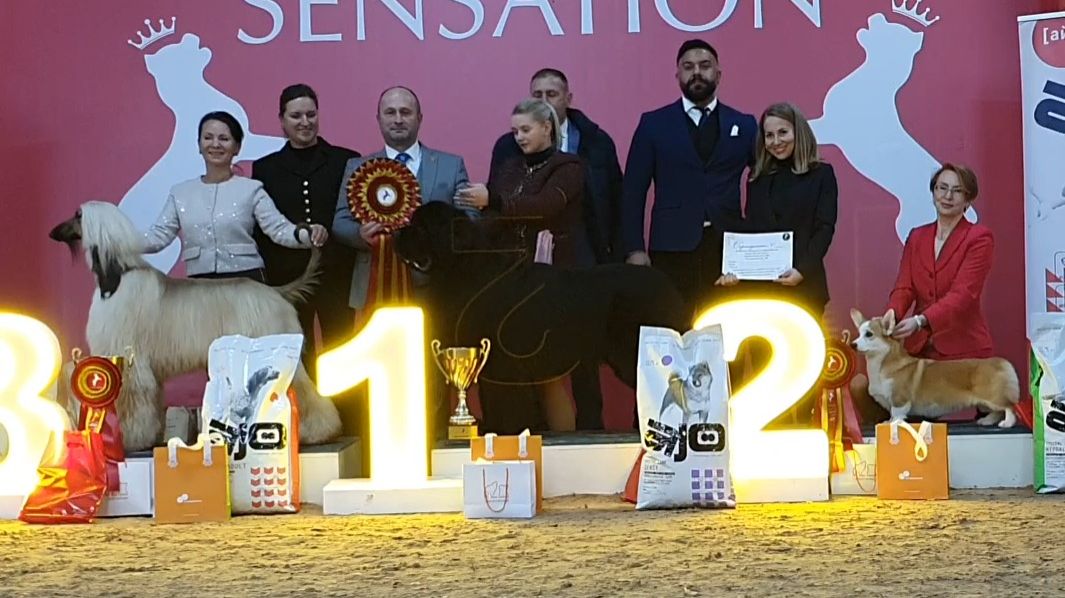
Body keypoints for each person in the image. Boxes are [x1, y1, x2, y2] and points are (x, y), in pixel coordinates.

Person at [457, 98, 594, 431]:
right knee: (516, 371)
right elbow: (495, 218)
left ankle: (563, 446)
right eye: (515, 131)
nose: (518, 137)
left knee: (550, 375)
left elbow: (545, 206)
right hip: (511, 283)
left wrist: (493, 200)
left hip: (548, 280)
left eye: (525, 129)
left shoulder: (569, 166)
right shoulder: (510, 167)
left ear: (547, 127)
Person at [621, 39, 757, 321]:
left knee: (726, 326)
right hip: (671, 246)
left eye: (704, 66)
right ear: (677, 75)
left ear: (718, 74)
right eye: (688, 67)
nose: (696, 73)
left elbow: (764, 183)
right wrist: (635, 248)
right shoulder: (653, 124)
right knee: (670, 325)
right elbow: (633, 192)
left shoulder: (744, 124)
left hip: (727, 248)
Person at [332, 86, 475, 311]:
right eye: (390, 112)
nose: (398, 119)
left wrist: (439, 241)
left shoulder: (452, 165)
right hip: (374, 286)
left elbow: (469, 219)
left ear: (419, 118)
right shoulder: (356, 167)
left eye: (405, 112)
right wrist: (360, 235)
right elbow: (340, 222)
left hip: (437, 287)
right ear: (379, 119)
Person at [252, 84, 360, 378]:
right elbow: (262, 229)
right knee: (297, 355)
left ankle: (346, 409)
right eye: (296, 116)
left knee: (343, 350)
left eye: (311, 114)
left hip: (337, 275)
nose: (305, 122)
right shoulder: (265, 168)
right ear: (282, 120)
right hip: (289, 279)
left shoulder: (347, 160)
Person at [143, 111, 327, 281]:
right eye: (208, 138)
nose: (215, 144)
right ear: (199, 145)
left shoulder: (252, 189)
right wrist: (124, 241)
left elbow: (279, 229)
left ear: (237, 147)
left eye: (224, 138)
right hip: (199, 287)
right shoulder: (180, 193)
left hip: (247, 283)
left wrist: (308, 234)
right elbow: (158, 237)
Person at [485, 68, 624, 264]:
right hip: (523, 251)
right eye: (537, 95)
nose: (544, 102)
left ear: (568, 99)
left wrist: (624, 250)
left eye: (551, 94)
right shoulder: (508, 145)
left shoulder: (596, 141)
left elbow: (617, 199)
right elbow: (497, 198)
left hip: (585, 248)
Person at [716, 102, 838, 320]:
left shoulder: (821, 174)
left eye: (783, 132)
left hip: (804, 286)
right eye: (769, 135)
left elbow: (824, 228)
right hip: (761, 290)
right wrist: (734, 269)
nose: (776, 141)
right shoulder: (756, 178)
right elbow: (751, 230)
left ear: (798, 132)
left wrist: (802, 271)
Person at [885, 163, 994, 359]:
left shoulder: (979, 238)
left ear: (968, 200)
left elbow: (963, 295)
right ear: (933, 192)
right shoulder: (917, 237)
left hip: (964, 351)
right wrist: (893, 313)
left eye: (957, 191)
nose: (948, 196)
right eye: (942, 188)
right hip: (919, 348)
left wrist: (921, 321)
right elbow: (904, 287)